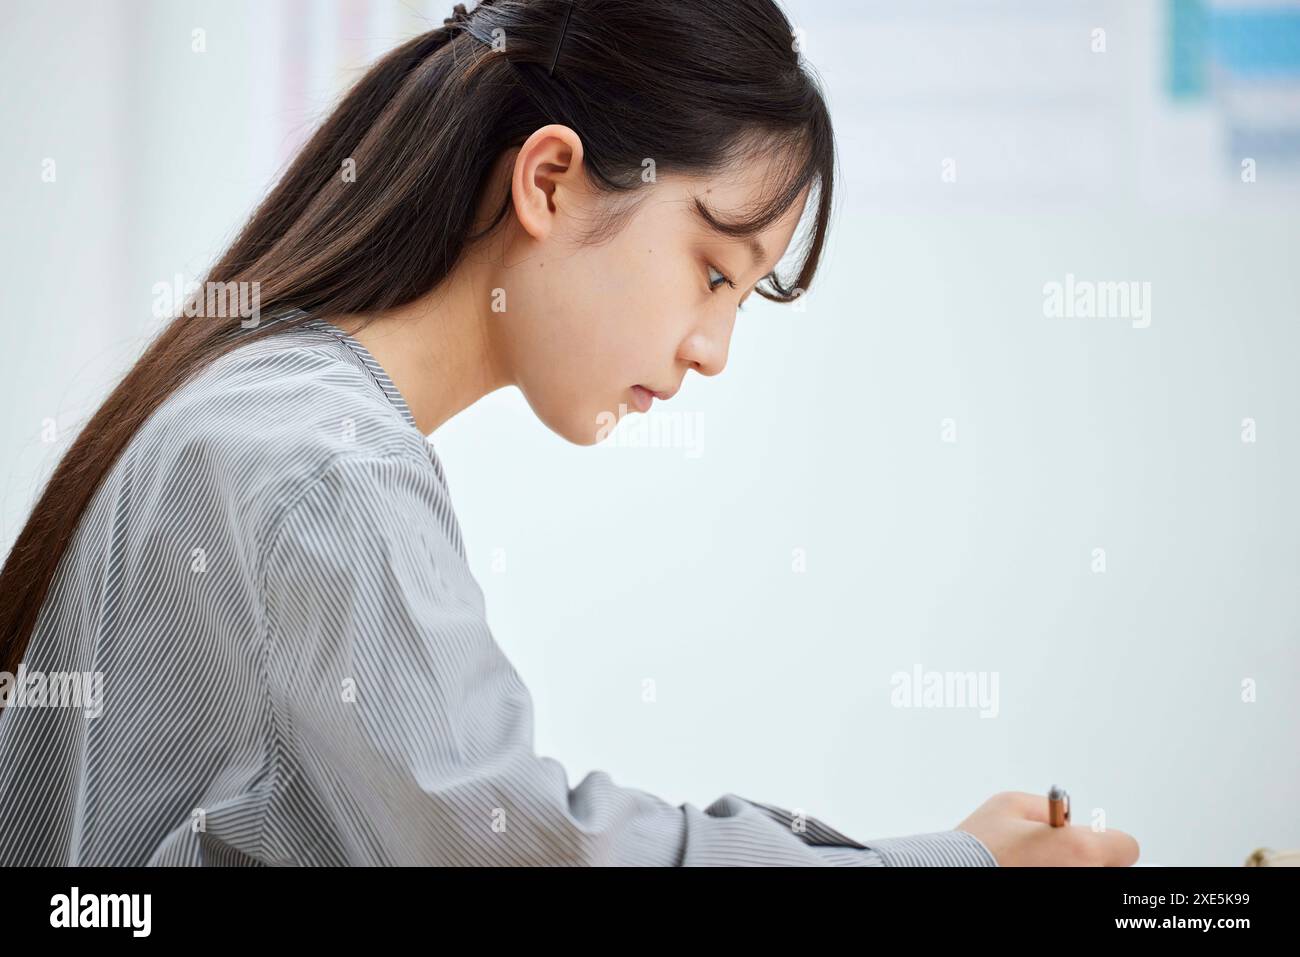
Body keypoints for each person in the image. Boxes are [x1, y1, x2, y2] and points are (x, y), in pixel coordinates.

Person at [0, 0, 1139, 867]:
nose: (712, 350)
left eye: (740, 300)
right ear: (550, 180)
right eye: (710, 272)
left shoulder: (268, 405)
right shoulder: (324, 469)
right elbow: (541, 854)